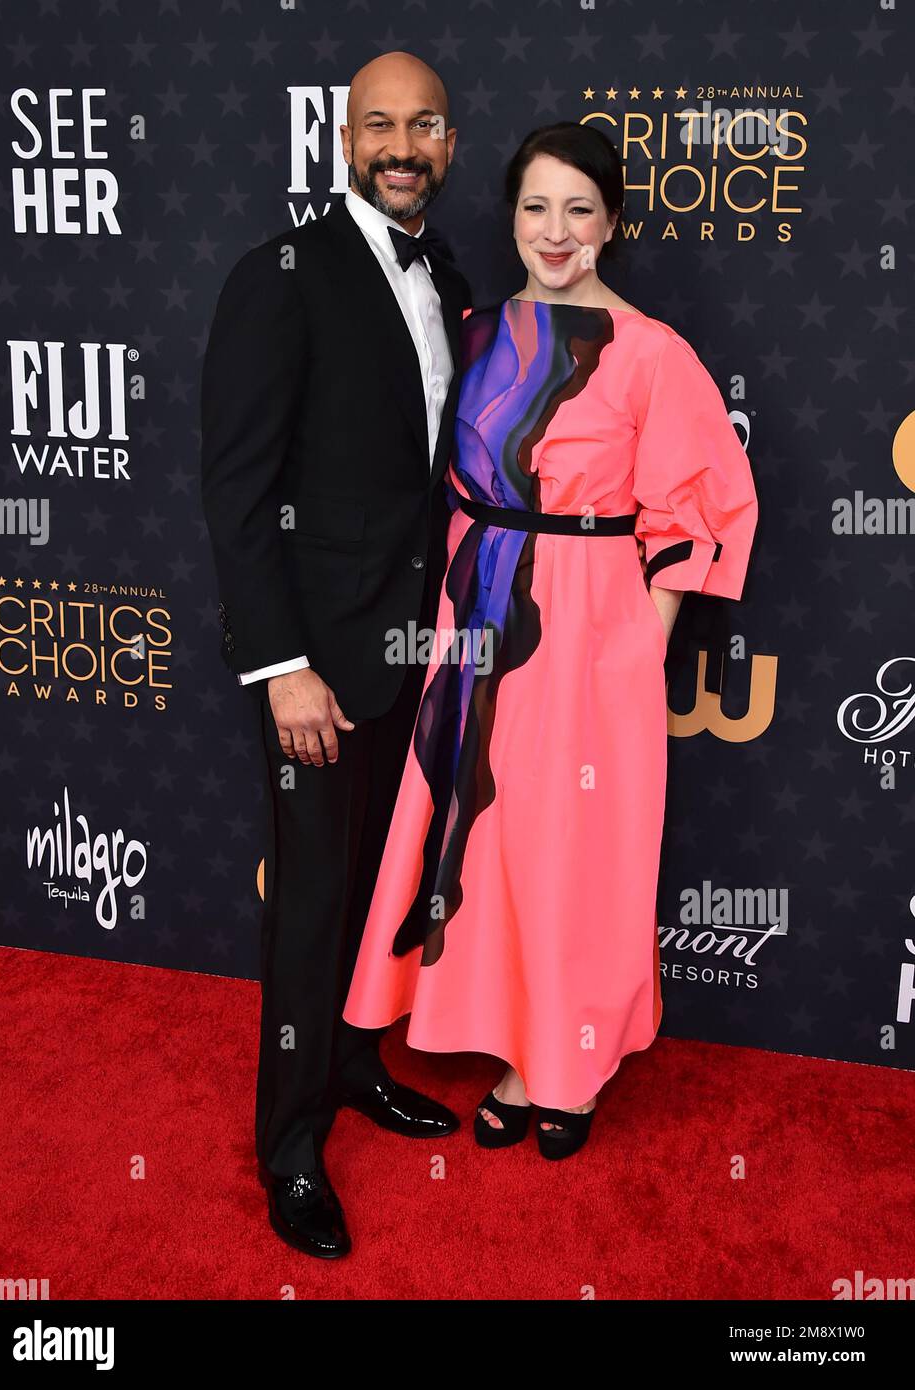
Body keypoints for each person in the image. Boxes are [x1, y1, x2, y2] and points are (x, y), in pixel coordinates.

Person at [343, 121, 759, 1160]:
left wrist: (638, 647)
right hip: (475, 615)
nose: (556, 230)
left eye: (580, 209)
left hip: (591, 625)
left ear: (612, 222)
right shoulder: (478, 332)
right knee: (488, 835)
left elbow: (700, 513)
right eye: (537, 207)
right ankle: (501, 1038)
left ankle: (563, 1067)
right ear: (513, 218)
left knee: (582, 854)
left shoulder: (652, 352)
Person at [199, 52, 472, 1259]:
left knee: (378, 888)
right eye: (379, 126)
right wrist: (279, 666)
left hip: (414, 651)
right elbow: (238, 490)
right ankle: (290, 1146)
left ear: (448, 147)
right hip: (314, 667)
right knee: (311, 903)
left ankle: (357, 1060)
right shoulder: (282, 277)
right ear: (344, 139)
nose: (400, 145)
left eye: (422, 126)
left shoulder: (448, 277)